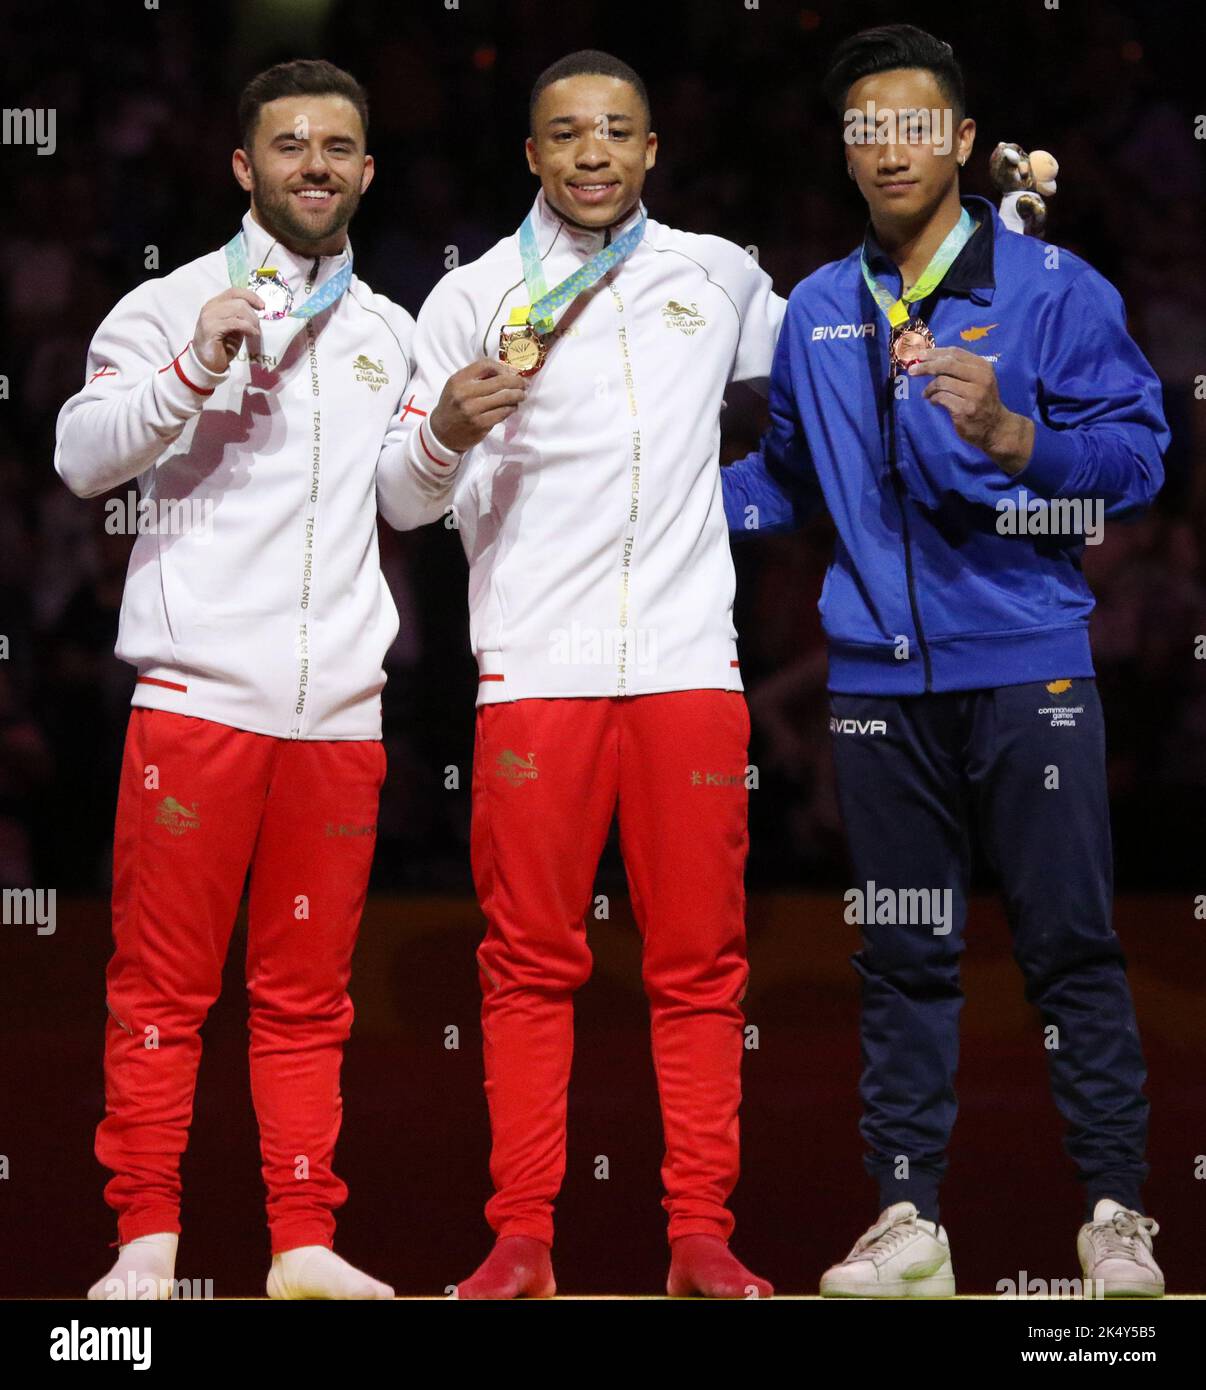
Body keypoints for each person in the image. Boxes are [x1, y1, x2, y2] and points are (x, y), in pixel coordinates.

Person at [722, 24, 1168, 1298]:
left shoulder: (1051, 288)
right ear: (846, 148)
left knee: (1070, 945)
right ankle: (910, 1215)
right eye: (868, 125)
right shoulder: (815, 307)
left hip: (1029, 668)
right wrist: (647, 500)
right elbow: (788, 486)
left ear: (964, 141)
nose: (892, 146)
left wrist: (1019, 439)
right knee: (906, 951)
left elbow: (1137, 463)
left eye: (918, 123)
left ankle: (1117, 1217)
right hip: (875, 684)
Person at [377, 49, 779, 1299]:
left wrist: (734, 511)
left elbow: (813, 402)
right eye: (568, 133)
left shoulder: (719, 276)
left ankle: (700, 1235)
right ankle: (523, 1240)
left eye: (617, 130)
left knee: (702, 965)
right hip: (534, 676)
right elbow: (397, 496)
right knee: (525, 964)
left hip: (685, 670)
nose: (594, 152)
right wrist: (446, 427)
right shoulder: (471, 298)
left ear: (653, 149)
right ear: (533, 155)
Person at [55, 58, 444, 1300]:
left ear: (366, 170)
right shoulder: (170, 303)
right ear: (245, 166)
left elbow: (405, 502)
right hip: (198, 705)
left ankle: (302, 1242)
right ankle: (146, 1246)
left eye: (337, 146)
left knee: (306, 996)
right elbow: (78, 457)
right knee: (163, 988)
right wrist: (188, 374)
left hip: (338, 715)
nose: (314, 166)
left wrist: (451, 434)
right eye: (289, 145)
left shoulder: (392, 330)